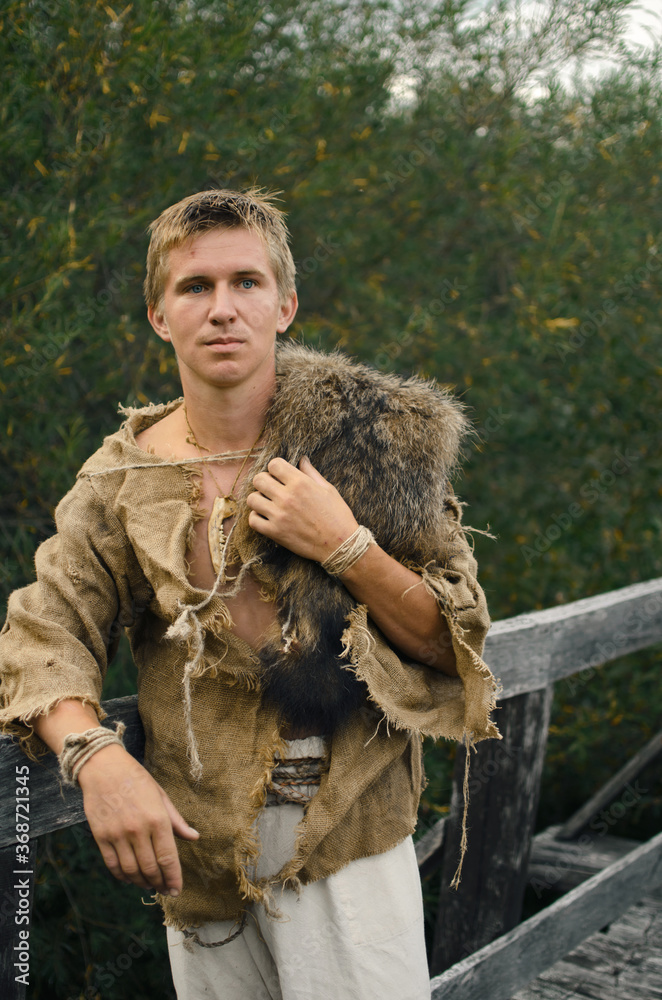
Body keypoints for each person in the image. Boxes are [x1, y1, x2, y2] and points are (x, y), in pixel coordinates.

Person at [0, 188, 499, 999]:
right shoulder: (124, 478)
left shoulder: (370, 438)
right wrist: (96, 759)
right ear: (160, 315)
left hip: (351, 837)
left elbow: (459, 642)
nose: (222, 309)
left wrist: (344, 545)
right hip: (202, 850)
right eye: (195, 287)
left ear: (286, 304)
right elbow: (43, 630)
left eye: (247, 283)